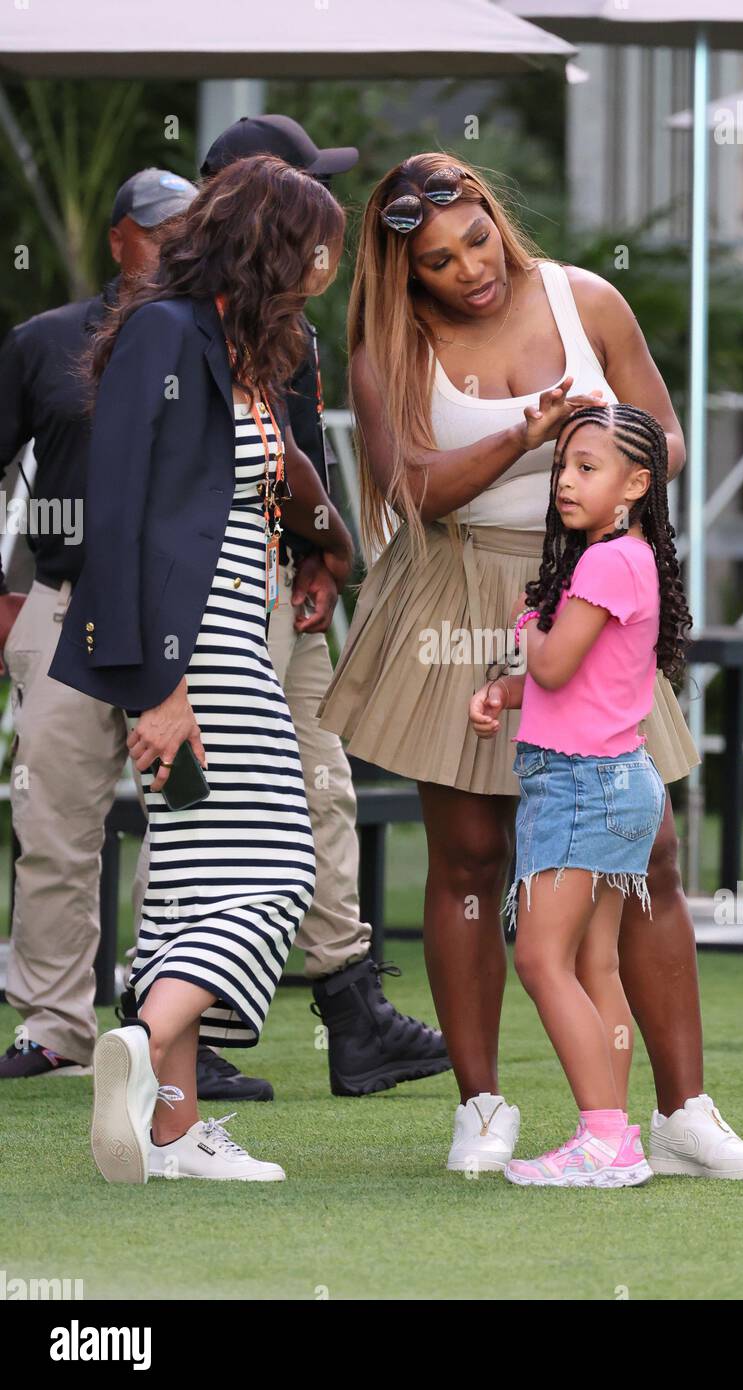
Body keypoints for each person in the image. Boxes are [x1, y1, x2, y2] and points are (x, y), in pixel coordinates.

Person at [317, 152, 743, 1180]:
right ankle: (481, 1104)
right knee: (472, 855)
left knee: (646, 848)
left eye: (476, 238)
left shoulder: (587, 298)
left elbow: (666, 437)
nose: (469, 269)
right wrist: (529, 437)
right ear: (407, 272)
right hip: (458, 596)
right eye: (438, 261)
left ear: (493, 213)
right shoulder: (391, 343)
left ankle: (683, 1111)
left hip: (591, 591)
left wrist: (608, 453)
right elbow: (410, 493)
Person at [48, 154, 342, 1183]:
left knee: (185, 882)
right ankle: (144, 1037)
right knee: (278, 869)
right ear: (272, 242)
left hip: (219, 641)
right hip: (195, 653)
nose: (329, 267)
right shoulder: (165, 335)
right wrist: (159, 686)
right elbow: (116, 515)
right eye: (319, 246)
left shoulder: (227, 342)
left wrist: (319, 543)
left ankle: (172, 1128)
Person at [191, 114, 449, 1097]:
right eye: (302, 188)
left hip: (284, 577)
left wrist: (316, 554)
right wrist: (330, 542)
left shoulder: (283, 320)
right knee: (205, 803)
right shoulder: (181, 317)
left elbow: (299, 458)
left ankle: (350, 1010)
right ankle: (187, 1022)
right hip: (209, 586)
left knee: (321, 787)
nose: (324, 210)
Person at [0, 169, 214, 1083]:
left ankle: (157, 1026)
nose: (173, 242)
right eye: (159, 229)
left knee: (184, 824)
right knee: (50, 821)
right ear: (121, 238)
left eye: (188, 228)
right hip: (61, 608)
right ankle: (52, 1026)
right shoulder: (44, 341)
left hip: (180, 620)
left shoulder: (220, 335)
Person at [470, 403, 680, 1187]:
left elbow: (555, 664)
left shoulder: (602, 563)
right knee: (596, 967)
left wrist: (526, 623)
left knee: (539, 959)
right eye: (563, 466)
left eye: (587, 468)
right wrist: (506, 691)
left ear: (634, 483)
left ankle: (605, 1139)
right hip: (618, 781)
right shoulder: (629, 557)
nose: (565, 481)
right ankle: (613, 1139)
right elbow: (575, 683)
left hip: (582, 787)